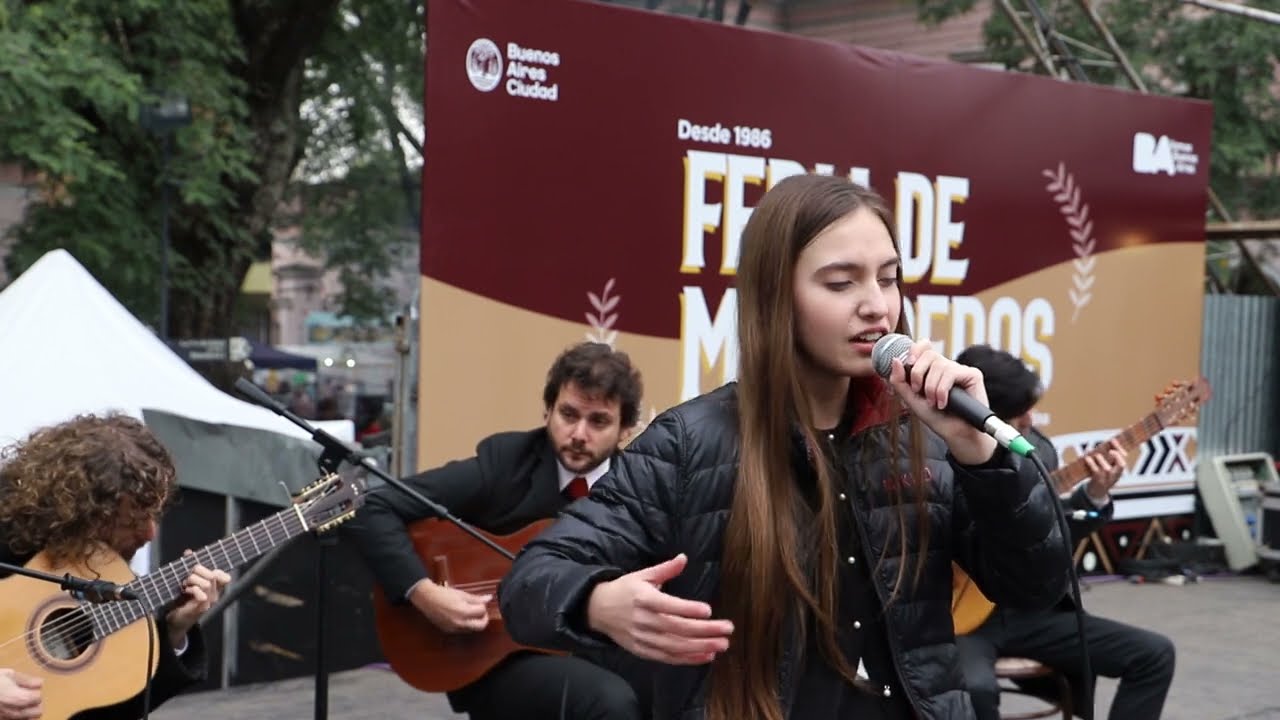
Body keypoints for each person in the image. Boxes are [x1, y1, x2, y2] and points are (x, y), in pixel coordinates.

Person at [496, 174, 1071, 720]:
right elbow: (529, 582)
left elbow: (1034, 586)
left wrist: (980, 454)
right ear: (775, 296)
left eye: (889, 277)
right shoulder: (688, 444)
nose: (876, 305)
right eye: (841, 283)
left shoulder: (928, 435)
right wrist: (597, 601)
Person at [344, 341, 652, 720]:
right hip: (499, 660)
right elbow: (373, 507)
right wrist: (424, 594)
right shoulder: (507, 463)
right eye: (568, 414)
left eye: (598, 422)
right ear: (548, 410)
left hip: (599, 648)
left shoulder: (639, 491)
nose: (578, 433)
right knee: (608, 701)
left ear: (625, 430)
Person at [953, 344, 1176, 720]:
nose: (1030, 419)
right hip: (959, 616)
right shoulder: (934, 453)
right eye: (1021, 412)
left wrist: (1095, 494)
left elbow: (1049, 537)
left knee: (1154, 654)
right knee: (974, 690)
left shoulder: (1038, 452)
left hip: (1029, 611)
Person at [0, 413, 231, 720]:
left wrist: (174, 629)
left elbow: (121, 709)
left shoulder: (104, 574)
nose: (149, 534)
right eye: (130, 522)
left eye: (153, 516)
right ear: (82, 514)